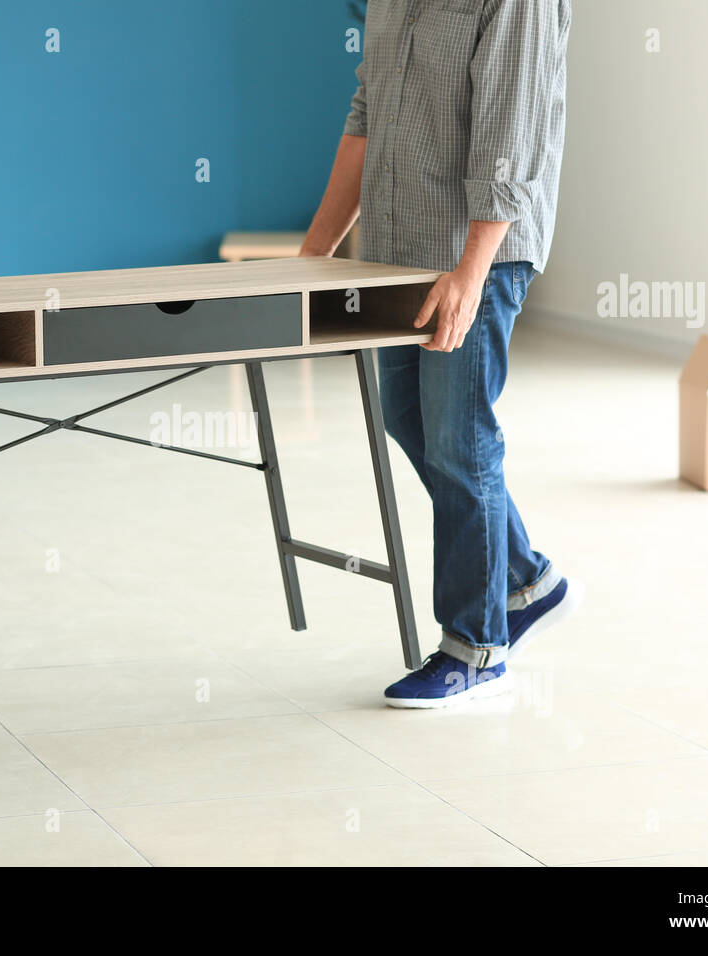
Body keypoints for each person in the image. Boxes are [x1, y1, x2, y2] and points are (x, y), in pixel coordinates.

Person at [300, 0, 581, 707]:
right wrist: (313, 255)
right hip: (399, 249)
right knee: (407, 415)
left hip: (475, 254)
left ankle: (476, 646)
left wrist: (471, 272)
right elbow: (368, 111)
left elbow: (510, 136)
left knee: (460, 438)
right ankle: (526, 584)